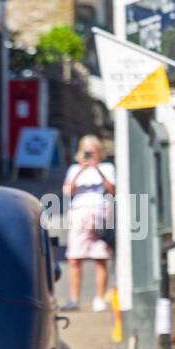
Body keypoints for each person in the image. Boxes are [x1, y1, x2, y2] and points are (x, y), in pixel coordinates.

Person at [60, 134, 116, 312]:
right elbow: (68, 190)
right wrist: (81, 169)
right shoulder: (74, 169)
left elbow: (111, 189)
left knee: (101, 257)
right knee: (75, 257)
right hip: (79, 215)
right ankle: (74, 298)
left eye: (93, 151)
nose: (90, 155)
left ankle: (99, 298)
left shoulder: (106, 167)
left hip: (100, 215)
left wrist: (97, 169)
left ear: (99, 152)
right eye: (87, 151)